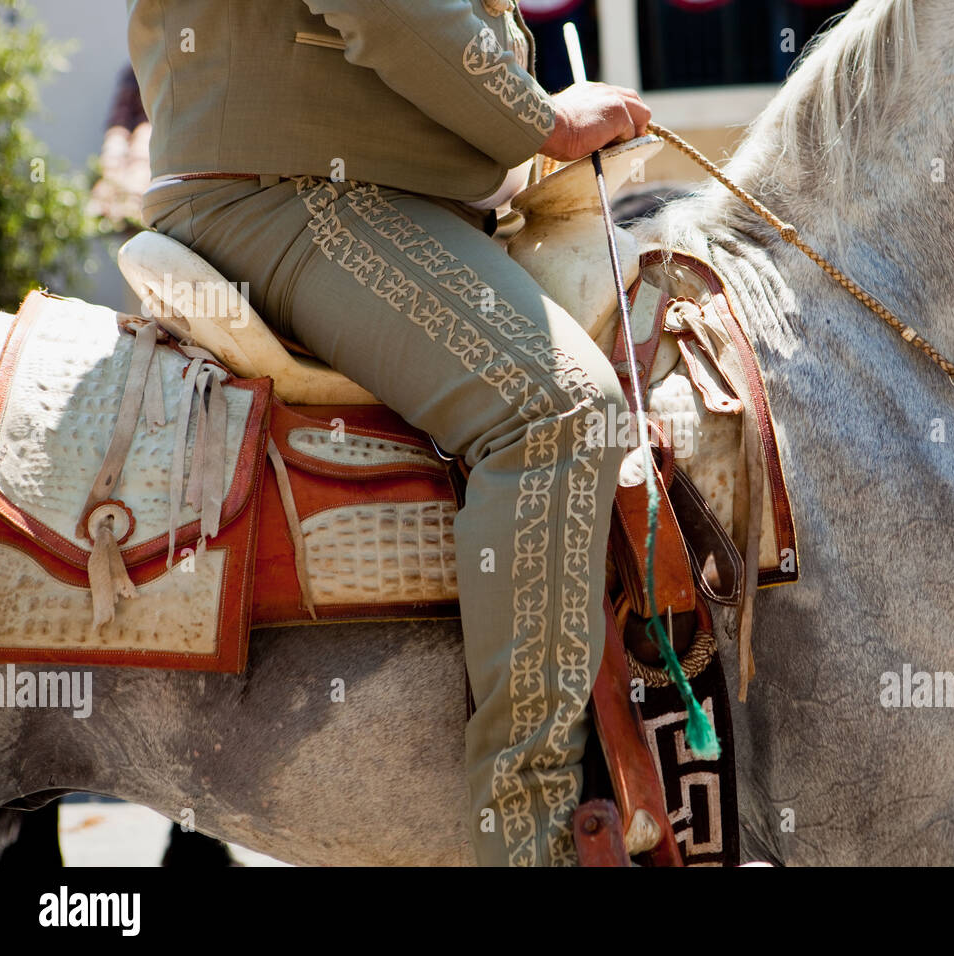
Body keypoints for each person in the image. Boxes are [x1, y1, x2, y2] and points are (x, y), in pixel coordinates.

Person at [127, 0, 650, 866]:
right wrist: (544, 118)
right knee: (558, 409)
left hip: (364, 191)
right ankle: (532, 841)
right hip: (302, 189)